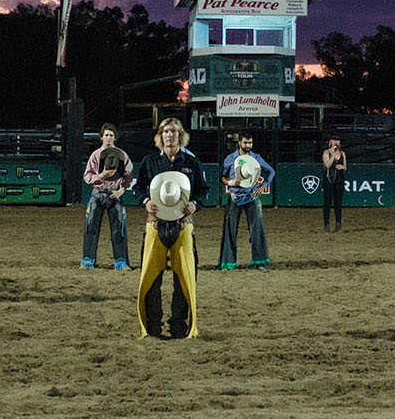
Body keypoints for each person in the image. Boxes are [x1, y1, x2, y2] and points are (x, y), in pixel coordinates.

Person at [136, 118, 207, 339]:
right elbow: (138, 188)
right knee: (151, 279)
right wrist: (145, 201)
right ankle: (153, 326)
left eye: (174, 132)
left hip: (183, 226)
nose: (169, 135)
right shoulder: (149, 162)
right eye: (166, 131)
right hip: (155, 225)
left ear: (180, 136)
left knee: (184, 279)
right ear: (160, 136)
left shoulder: (192, 162)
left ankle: (179, 325)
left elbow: (203, 190)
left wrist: (195, 204)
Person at [82, 124, 135, 270]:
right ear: (101, 137)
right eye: (106, 135)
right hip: (98, 193)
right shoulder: (95, 155)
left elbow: (129, 175)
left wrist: (122, 190)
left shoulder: (122, 155)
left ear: (115, 138)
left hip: (115, 193)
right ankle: (87, 260)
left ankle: (121, 262)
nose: (109, 138)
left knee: (119, 229)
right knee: (91, 227)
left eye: (111, 135)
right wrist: (101, 175)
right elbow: (87, 176)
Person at [219, 133, 276, 270]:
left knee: (257, 230)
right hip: (234, 197)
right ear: (239, 143)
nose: (248, 145)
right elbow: (222, 177)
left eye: (250, 143)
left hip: (252, 197)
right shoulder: (230, 159)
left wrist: (263, 186)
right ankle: (228, 263)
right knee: (230, 230)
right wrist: (230, 182)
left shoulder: (256, 158)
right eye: (245, 143)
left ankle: (259, 262)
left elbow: (271, 171)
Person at [321, 136, 348, 232]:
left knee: (338, 203)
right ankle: (326, 224)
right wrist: (333, 155)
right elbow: (327, 165)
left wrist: (342, 166)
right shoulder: (326, 152)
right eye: (334, 141)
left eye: (338, 141)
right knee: (327, 202)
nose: (336, 143)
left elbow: (345, 167)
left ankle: (338, 224)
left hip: (339, 180)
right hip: (329, 179)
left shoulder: (342, 153)